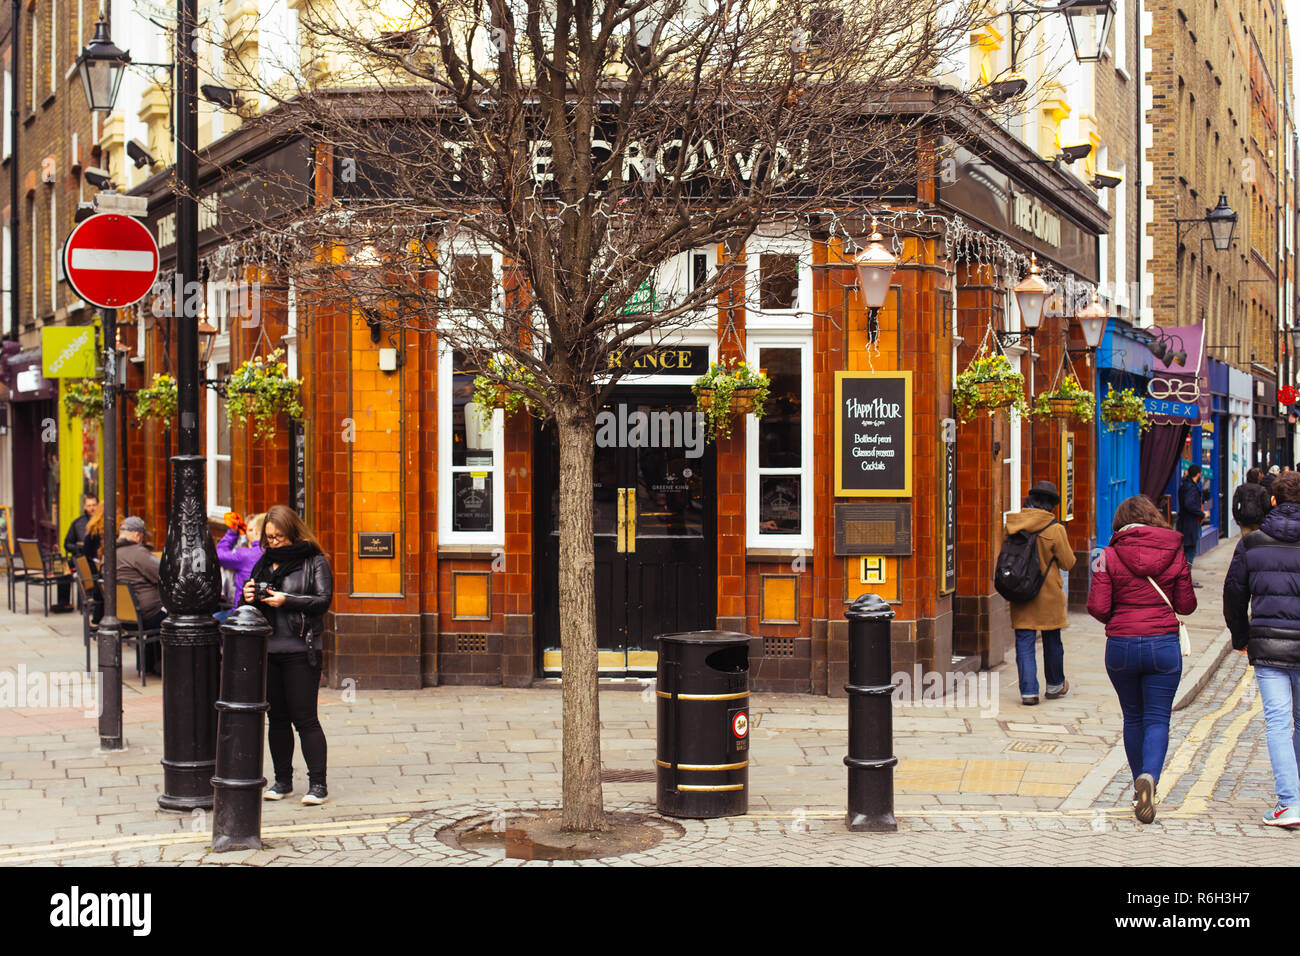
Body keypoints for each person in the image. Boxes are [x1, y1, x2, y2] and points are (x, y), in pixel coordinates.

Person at [1087, 495, 1195, 824]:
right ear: (1154, 518)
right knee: (1157, 719)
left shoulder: (1106, 556)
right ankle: (1150, 777)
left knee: (1133, 718)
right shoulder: (1174, 553)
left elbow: (1098, 607)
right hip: (1163, 646)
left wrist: (1123, 619)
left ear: (1120, 522)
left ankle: (1139, 786)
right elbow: (1186, 604)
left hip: (1120, 646)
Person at [1223, 470, 1300, 828]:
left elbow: (1234, 596)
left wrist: (1242, 638)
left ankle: (1290, 802)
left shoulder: (1252, 544)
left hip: (1268, 643)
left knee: (1277, 723)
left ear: (1273, 500)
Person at [243, 505, 333, 806]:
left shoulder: (314, 560)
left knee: (305, 718)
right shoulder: (264, 563)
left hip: (301, 649)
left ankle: (318, 784)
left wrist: (288, 600)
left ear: (293, 533)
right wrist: (249, 595)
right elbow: (252, 605)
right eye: (268, 538)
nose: (273, 543)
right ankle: (282, 781)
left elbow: (323, 600)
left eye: (279, 537)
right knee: (276, 718)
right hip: (268, 649)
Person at [1003, 480, 1076, 706]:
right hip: (1048, 596)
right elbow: (1068, 563)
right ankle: (1055, 684)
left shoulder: (1015, 525)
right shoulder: (1055, 529)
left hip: (1021, 593)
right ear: (1051, 505)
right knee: (1052, 640)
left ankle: (1028, 691)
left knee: (1024, 642)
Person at [115, 516, 165, 675]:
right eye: (142, 536)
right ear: (137, 535)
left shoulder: (109, 554)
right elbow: (162, 573)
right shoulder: (137, 552)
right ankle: (161, 665)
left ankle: (149, 664)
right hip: (147, 614)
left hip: (122, 617)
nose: (142, 540)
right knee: (173, 613)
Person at [215, 511, 264, 624]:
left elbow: (219, 555)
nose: (249, 533)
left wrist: (232, 533)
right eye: (248, 530)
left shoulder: (246, 554)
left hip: (241, 612)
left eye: (252, 530)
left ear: (257, 531)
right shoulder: (247, 550)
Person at [1177, 464, 1205, 577]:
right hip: (1190, 524)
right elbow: (1189, 504)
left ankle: (1184, 577)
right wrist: (1202, 513)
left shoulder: (1184, 486)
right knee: (1190, 551)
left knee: (1186, 550)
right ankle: (1186, 578)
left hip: (1184, 522)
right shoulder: (1191, 488)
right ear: (1198, 474)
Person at [1232, 467, 1272, 535]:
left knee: (1246, 542)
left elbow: (1235, 505)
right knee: (1257, 542)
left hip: (1244, 520)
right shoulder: (1262, 490)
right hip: (1258, 521)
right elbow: (1266, 506)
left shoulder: (1240, 488)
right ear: (1258, 477)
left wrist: (1238, 518)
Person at [63, 494, 98, 559]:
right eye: (89, 505)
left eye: (94, 505)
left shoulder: (104, 522)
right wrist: (80, 547)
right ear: (84, 506)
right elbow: (67, 544)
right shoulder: (77, 523)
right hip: (83, 560)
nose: (92, 508)